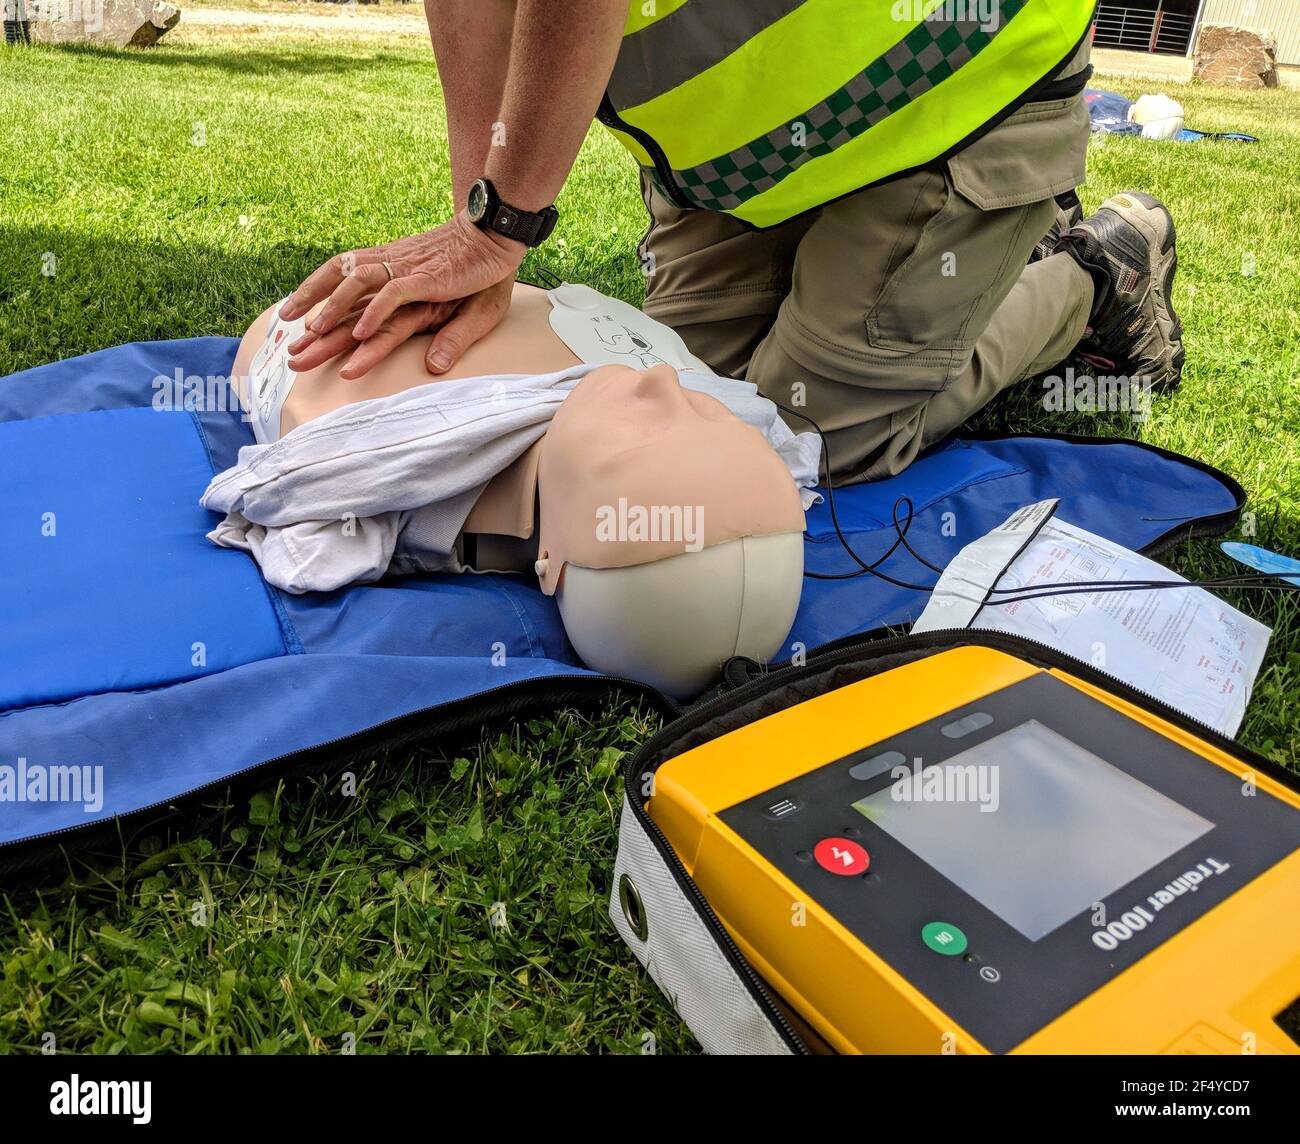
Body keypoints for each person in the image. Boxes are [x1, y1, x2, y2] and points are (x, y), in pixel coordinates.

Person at [279, 1, 1183, 482]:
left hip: (951, 94)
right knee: (673, 410)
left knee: (796, 443)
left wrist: (501, 222)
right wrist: (481, 218)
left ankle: (1097, 269)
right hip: (742, 162)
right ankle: (942, 286)